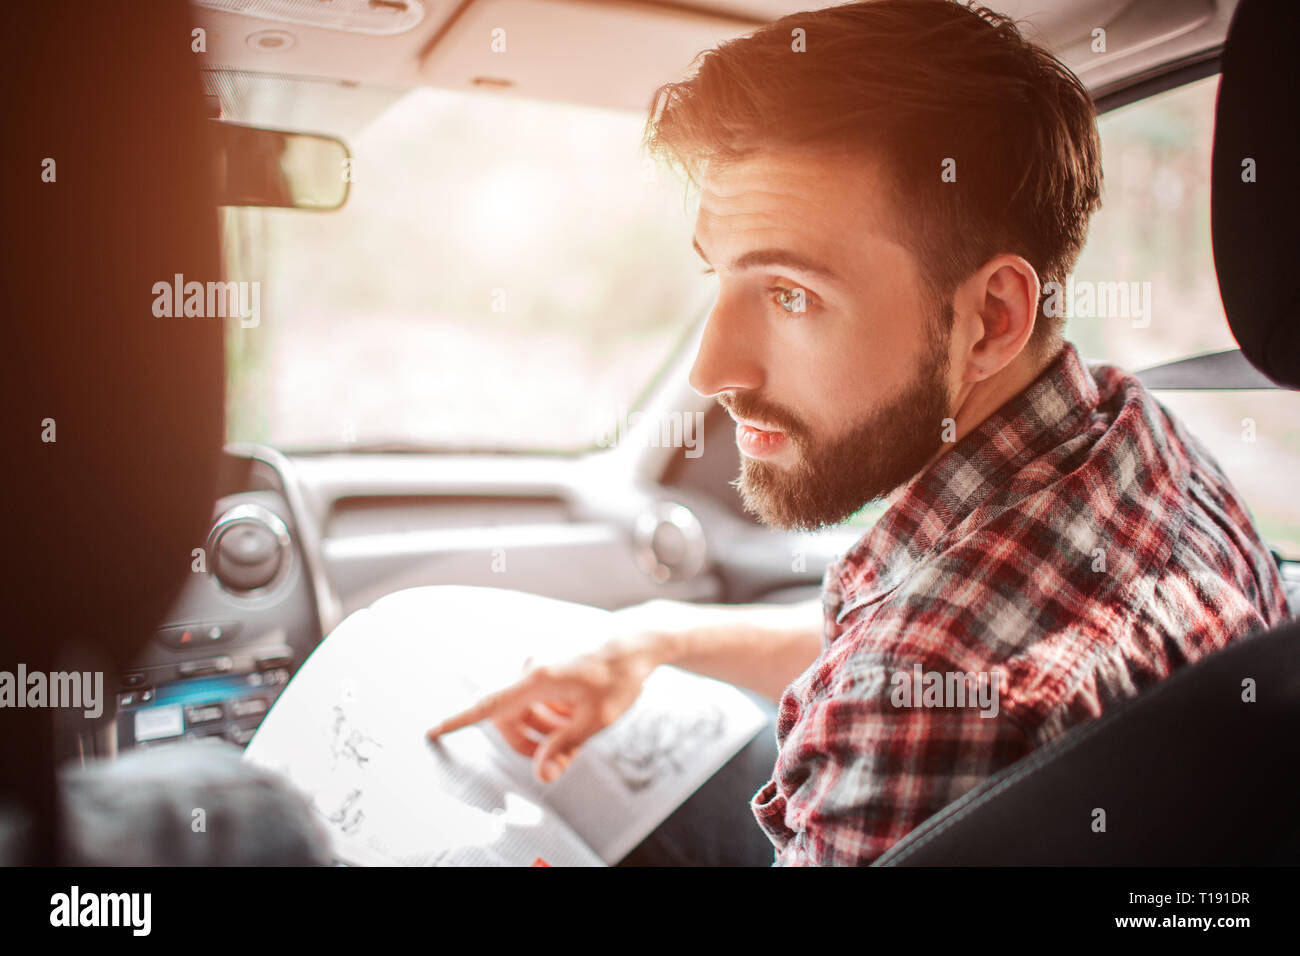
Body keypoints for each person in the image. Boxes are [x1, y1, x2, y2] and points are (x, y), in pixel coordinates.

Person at [427, 0, 1291, 865]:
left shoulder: (917, 718)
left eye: (790, 293)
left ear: (991, 318)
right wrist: (660, 637)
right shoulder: (1132, 441)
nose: (711, 370)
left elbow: (919, 661)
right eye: (718, 277)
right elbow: (906, 628)